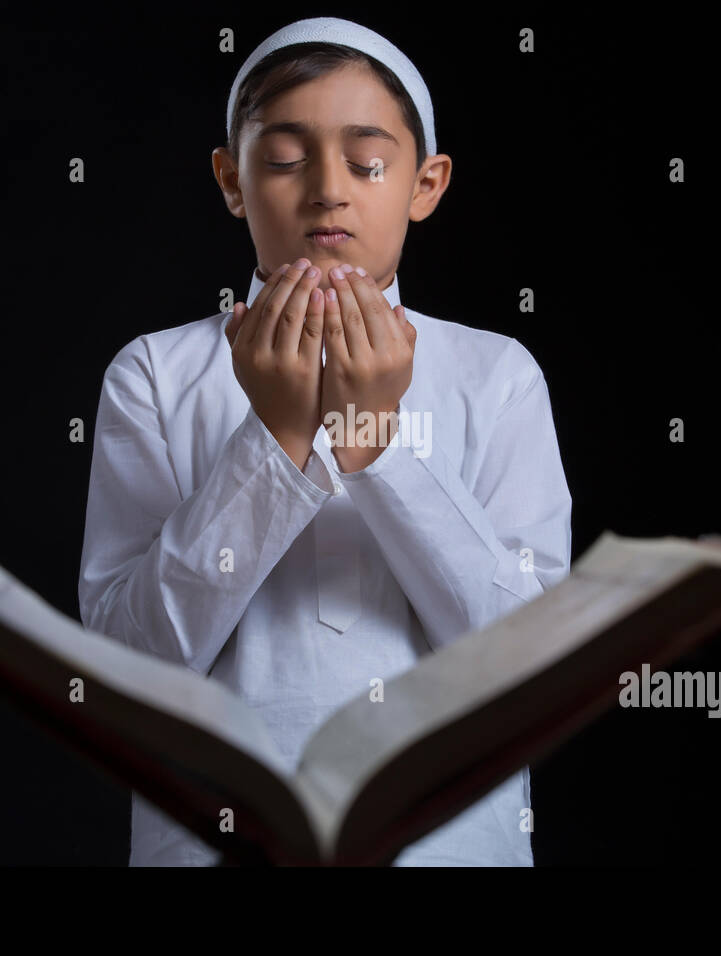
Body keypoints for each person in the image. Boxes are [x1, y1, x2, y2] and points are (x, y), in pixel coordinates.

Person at [78, 17, 571, 865]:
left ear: (425, 183)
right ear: (232, 180)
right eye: (283, 159)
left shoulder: (497, 374)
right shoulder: (156, 372)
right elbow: (125, 670)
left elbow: (534, 672)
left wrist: (373, 441)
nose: (327, 191)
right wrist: (274, 436)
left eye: (367, 162)